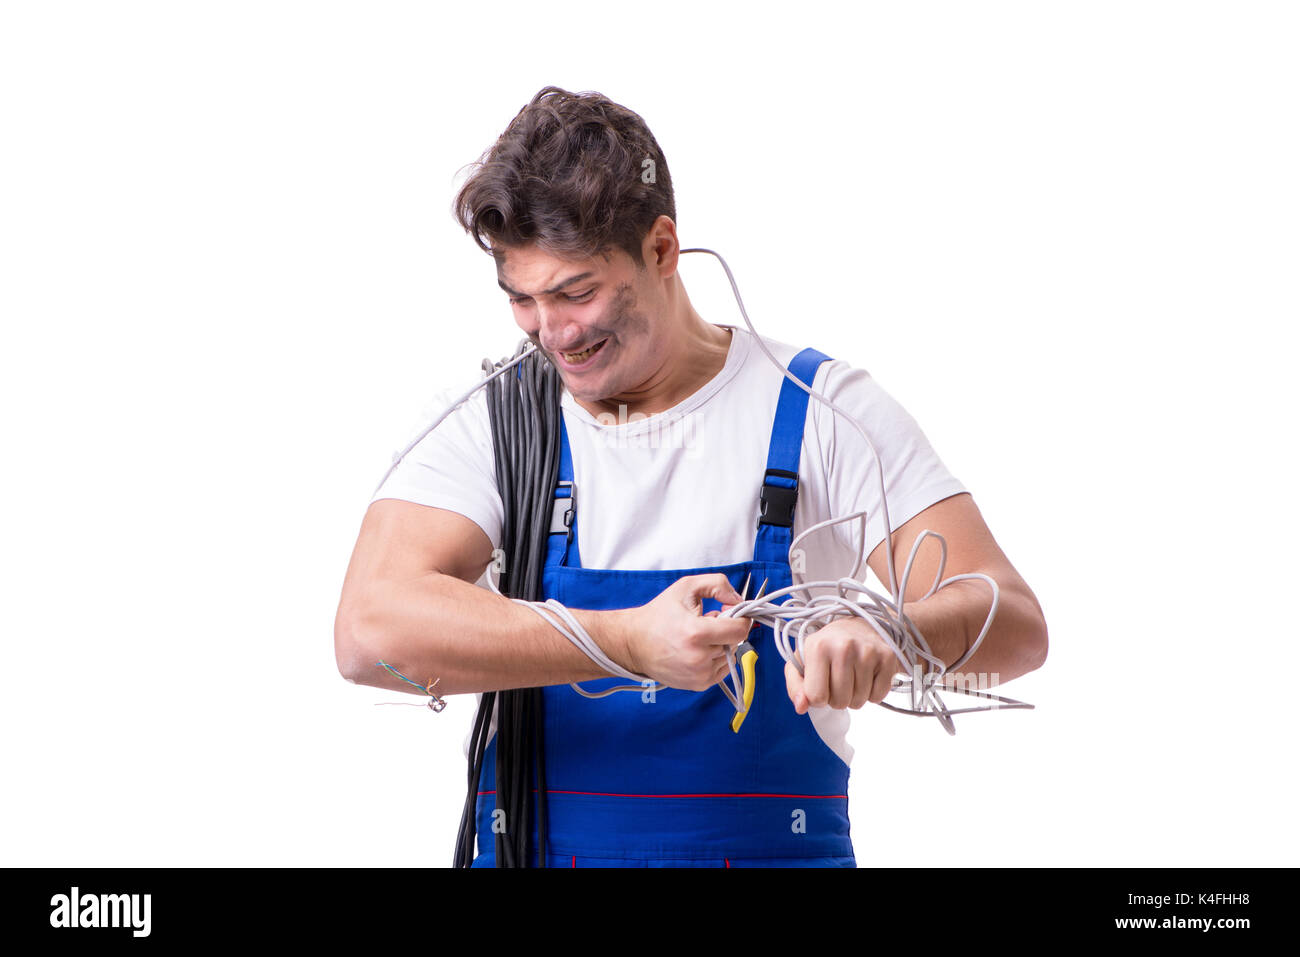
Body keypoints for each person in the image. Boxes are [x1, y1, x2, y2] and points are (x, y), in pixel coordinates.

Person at [334, 86, 1049, 867]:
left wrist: (892, 632)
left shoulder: (820, 411)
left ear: (663, 248)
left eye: (577, 291)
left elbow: (1014, 621)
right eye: (523, 300)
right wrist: (626, 641)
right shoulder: (496, 420)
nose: (553, 333)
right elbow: (369, 632)